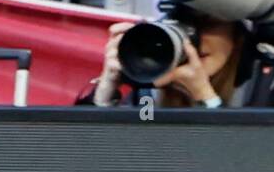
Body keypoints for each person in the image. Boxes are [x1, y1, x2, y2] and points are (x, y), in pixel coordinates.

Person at [78, 13, 274, 107]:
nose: (194, 41)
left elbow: (248, 171)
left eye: (209, 24)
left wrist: (205, 97)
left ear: (238, 36)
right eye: (182, 28)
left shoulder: (264, 86)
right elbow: (89, 163)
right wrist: (103, 95)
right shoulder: (149, 92)